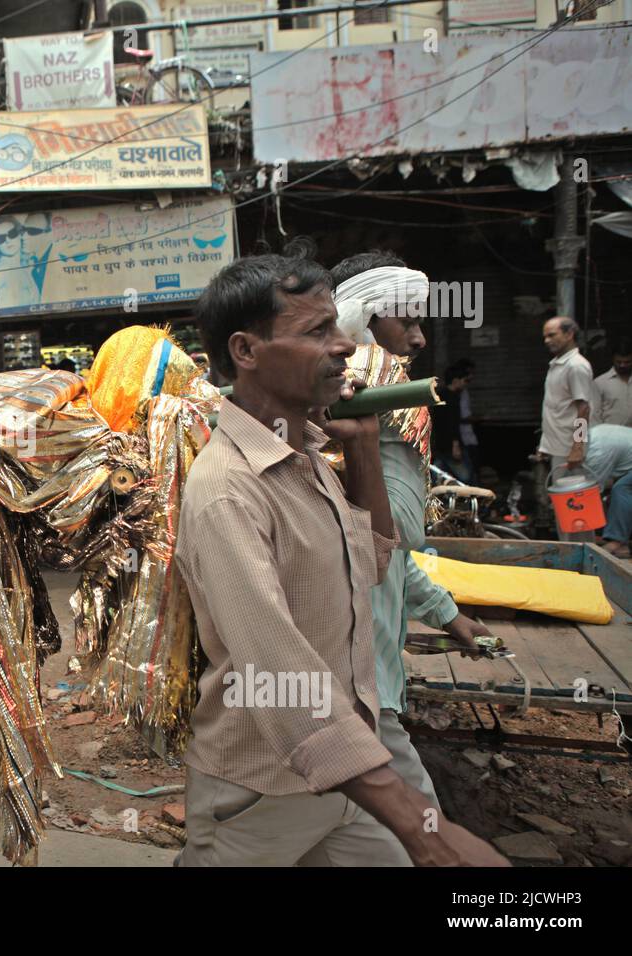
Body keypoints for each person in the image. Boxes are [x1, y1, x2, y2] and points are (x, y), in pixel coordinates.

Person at [174, 252, 505, 866]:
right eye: (316, 331)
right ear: (246, 351)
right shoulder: (229, 491)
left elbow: (373, 567)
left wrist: (365, 453)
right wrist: (419, 825)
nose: (345, 346)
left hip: (350, 770)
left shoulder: (303, 455)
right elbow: (276, 669)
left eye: (338, 326)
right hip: (261, 792)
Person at [331, 253, 492, 825]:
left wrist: (448, 614)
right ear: (363, 317)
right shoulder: (366, 390)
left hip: (369, 670)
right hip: (358, 671)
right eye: (407, 321)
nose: (419, 338)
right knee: (421, 824)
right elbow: (388, 538)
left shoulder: (375, 407)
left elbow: (391, 549)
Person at [535, 317, 594, 534]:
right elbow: (555, 409)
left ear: (569, 335)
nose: (546, 340)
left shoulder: (576, 366)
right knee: (564, 512)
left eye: (552, 335)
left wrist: (578, 446)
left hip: (570, 452)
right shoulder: (558, 364)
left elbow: (584, 409)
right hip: (558, 448)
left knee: (575, 513)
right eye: (545, 336)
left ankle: (579, 557)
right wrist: (544, 445)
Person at [584, 423, 632, 557]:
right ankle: (613, 535)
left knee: (622, 488)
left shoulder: (596, 452)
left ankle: (617, 543)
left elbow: (591, 492)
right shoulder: (589, 435)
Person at [431, 364, 472, 483]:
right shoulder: (452, 398)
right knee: (466, 477)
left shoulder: (439, 395)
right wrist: (455, 445)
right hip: (449, 445)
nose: (466, 384)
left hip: (440, 443)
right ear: (455, 381)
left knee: (438, 472)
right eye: (465, 380)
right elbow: (452, 423)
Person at [592, 339, 632, 428]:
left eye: (627, 362)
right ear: (613, 359)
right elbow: (594, 415)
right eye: (619, 362)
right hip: (610, 437)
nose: (622, 365)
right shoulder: (600, 383)